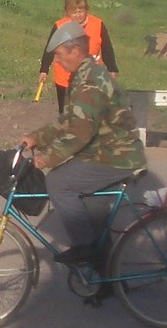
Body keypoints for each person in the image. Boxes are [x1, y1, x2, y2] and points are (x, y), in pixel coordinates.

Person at [18, 20, 146, 264]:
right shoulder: (83, 75)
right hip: (105, 151)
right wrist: (37, 137)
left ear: (75, 50)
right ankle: (105, 279)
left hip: (115, 156)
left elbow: (81, 132)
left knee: (58, 181)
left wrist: (48, 157)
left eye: (58, 54)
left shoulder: (90, 81)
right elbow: (69, 120)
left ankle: (86, 249)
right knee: (94, 214)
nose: (56, 61)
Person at [37, 0, 116, 114]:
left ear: (86, 10)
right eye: (74, 12)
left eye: (81, 11)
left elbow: (107, 49)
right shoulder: (60, 26)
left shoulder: (98, 24)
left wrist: (112, 69)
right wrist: (44, 69)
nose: (78, 15)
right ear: (68, 12)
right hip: (65, 79)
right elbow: (50, 49)